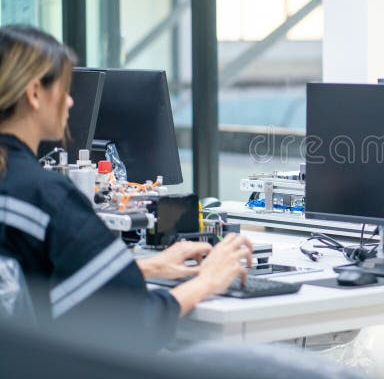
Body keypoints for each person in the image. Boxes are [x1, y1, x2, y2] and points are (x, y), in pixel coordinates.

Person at [0, 24, 252, 350]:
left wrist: (146, 267)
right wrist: (208, 280)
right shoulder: (48, 199)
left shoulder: (18, 188)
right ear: (35, 94)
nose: (72, 101)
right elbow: (135, 322)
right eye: (65, 88)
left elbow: (32, 283)